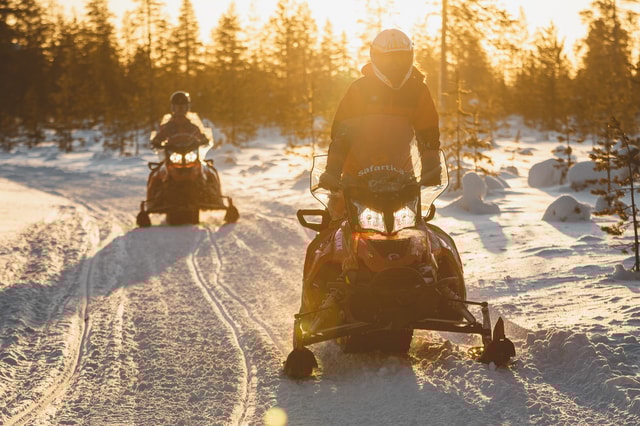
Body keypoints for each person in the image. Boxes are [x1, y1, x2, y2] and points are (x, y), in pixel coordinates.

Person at [318, 29, 442, 219]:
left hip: (401, 175)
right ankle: (329, 234)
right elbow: (342, 135)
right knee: (338, 222)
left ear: (410, 57)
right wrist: (332, 172)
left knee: (413, 227)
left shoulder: (418, 91)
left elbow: (428, 135)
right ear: (375, 58)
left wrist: (431, 170)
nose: (395, 66)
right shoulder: (360, 89)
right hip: (356, 175)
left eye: (400, 59)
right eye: (389, 60)